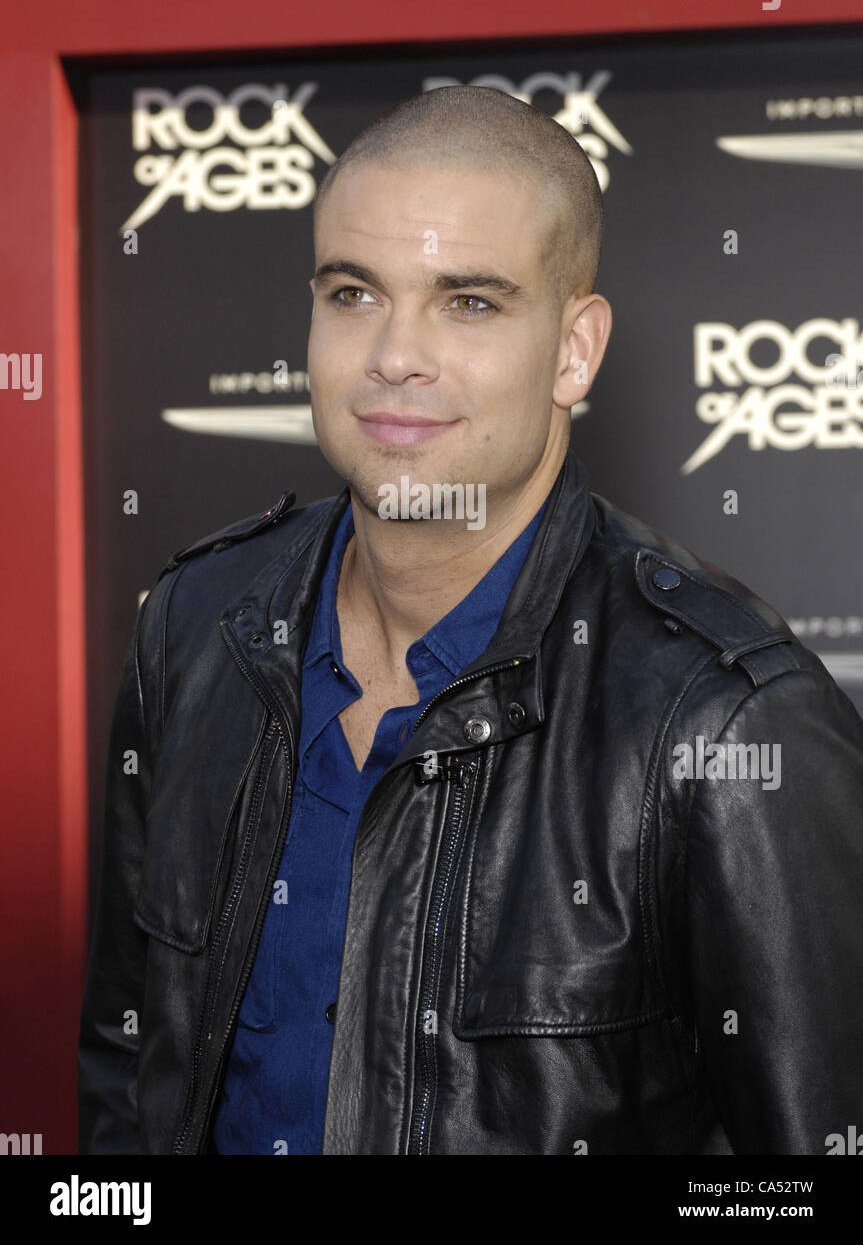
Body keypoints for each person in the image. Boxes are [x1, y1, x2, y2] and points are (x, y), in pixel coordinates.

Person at [78, 86, 863, 1155]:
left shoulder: (725, 722)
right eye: (353, 292)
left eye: (469, 302)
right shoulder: (197, 625)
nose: (395, 355)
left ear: (574, 351)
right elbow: (129, 1069)